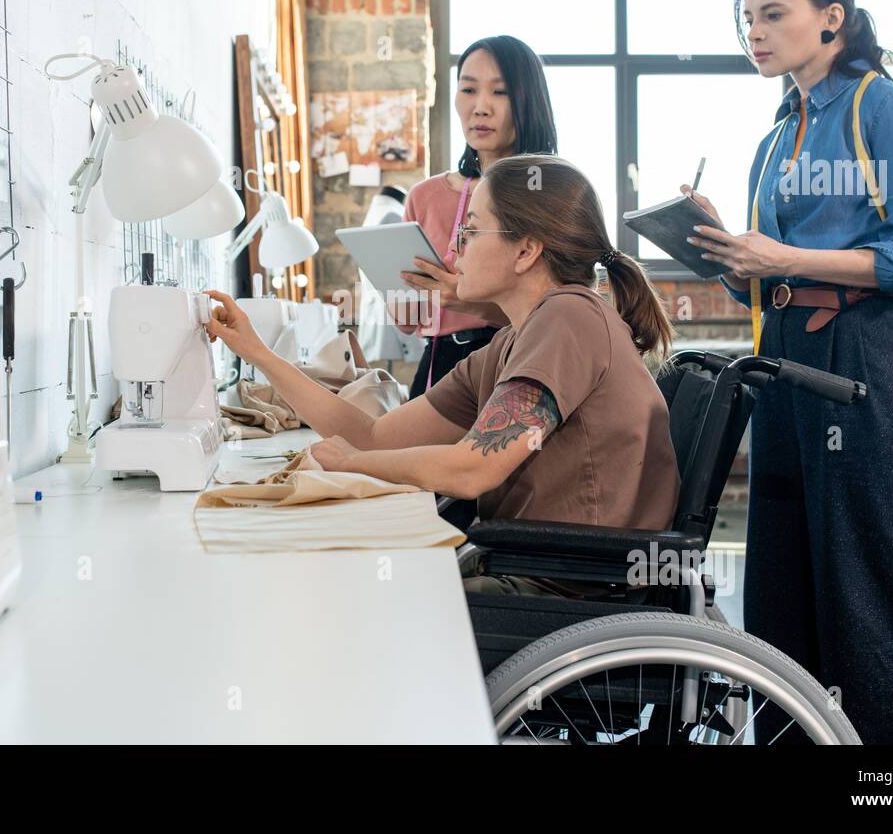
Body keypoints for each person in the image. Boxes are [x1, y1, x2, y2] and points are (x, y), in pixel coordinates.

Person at [686, 0, 893, 744]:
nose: (755, 34)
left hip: (864, 366)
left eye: (774, 15)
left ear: (832, 18)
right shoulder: (773, 142)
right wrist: (714, 248)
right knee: (784, 581)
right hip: (781, 365)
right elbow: (758, 282)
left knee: (875, 590)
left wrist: (786, 258)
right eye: (747, 21)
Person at [206, 154, 678, 596]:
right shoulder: (512, 340)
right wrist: (259, 352)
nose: (455, 251)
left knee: (354, 591)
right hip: (527, 561)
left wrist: (352, 463)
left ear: (526, 250)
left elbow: (473, 469)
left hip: (568, 582)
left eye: (470, 232)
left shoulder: (568, 318)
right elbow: (373, 436)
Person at [394, 35, 559, 399]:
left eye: (500, 93)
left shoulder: (551, 193)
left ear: (528, 100)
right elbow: (409, 322)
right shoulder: (424, 197)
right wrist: (401, 299)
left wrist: (467, 302)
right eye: (468, 90)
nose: (481, 107)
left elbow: (561, 321)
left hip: (519, 360)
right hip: (438, 360)